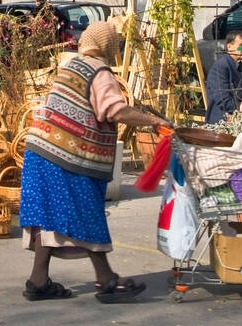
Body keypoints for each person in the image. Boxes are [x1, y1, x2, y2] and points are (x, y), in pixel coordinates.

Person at [19, 20, 171, 302]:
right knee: (86, 211)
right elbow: (114, 111)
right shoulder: (100, 72)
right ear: (108, 46)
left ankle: (38, 280)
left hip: (40, 152)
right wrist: (152, 120)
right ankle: (107, 279)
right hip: (67, 156)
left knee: (48, 217)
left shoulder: (71, 67)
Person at [204, 31, 242, 124]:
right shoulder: (221, 67)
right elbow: (222, 100)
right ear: (229, 46)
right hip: (221, 123)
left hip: (241, 120)